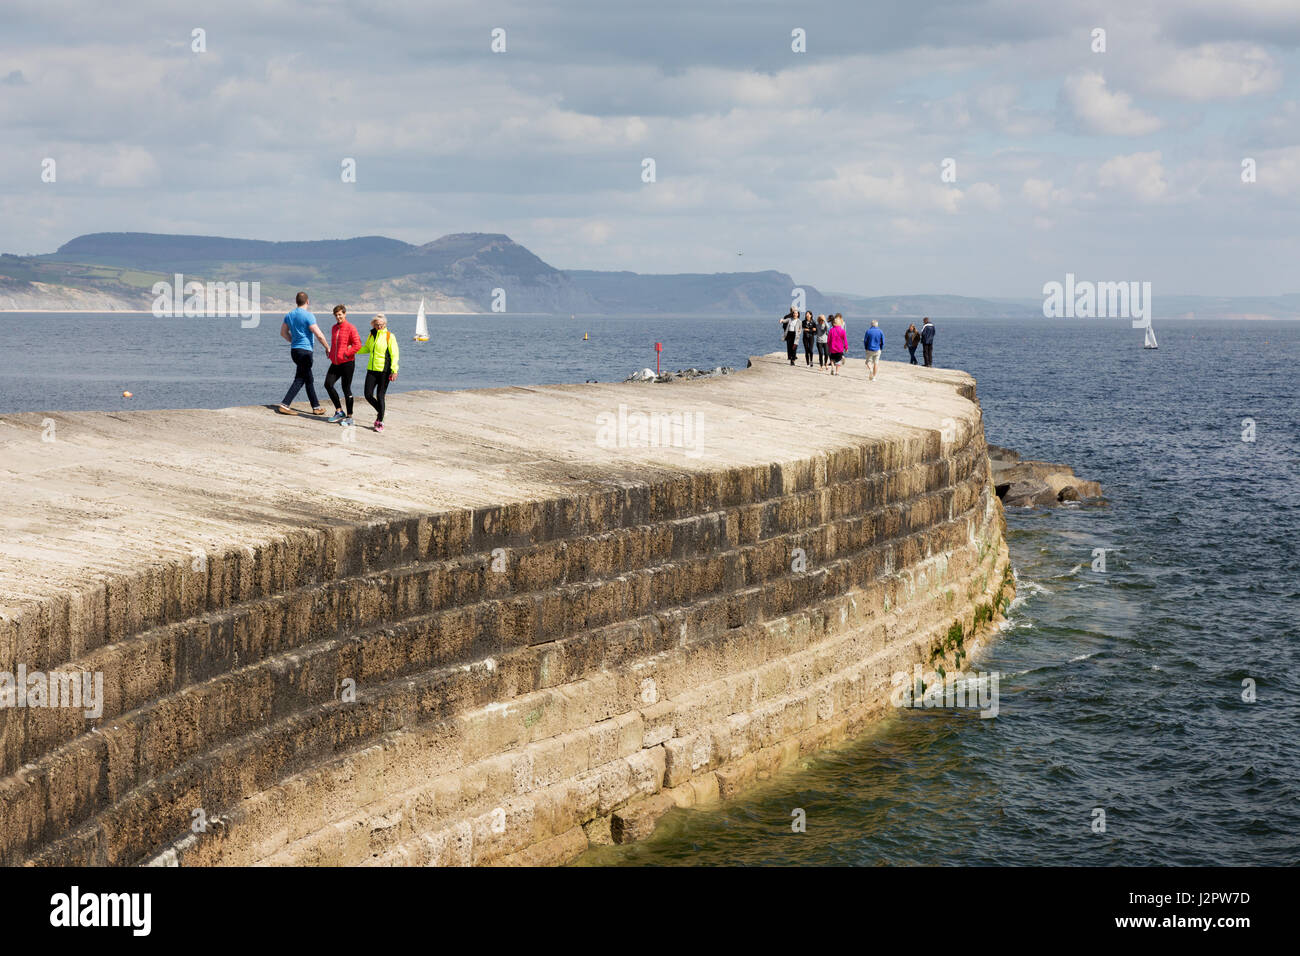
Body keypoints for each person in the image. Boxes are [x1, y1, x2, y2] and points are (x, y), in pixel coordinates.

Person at [277, 291, 329, 415]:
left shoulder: (289, 315)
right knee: (300, 379)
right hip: (305, 351)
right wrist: (327, 347)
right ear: (307, 301)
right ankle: (285, 404)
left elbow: (283, 333)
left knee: (308, 378)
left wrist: (293, 340)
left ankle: (316, 407)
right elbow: (319, 335)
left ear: (296, 302)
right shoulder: (308, 316)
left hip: (294, 350)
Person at [357, 313, 399, 432]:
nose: (379, 326)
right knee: (368, 394)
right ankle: (381, 412)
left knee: (380, 396)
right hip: (371, 369)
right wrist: (353, 350)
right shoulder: (372, 334)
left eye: (381, 324)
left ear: (385, 324)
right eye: (377, 325)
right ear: (373, 325)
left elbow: (395, 354)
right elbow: (367, 348)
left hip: (384, 371)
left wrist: (394, 370)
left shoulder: (389, 336)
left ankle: (380, 421)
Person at [324, 304, 361, 425]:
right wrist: (330, 353)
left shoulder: (351, 328)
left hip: (347, 363)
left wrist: (346, 353)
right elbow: (335, 345)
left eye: (340, 314)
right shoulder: (334, 328)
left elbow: (357, 344)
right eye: (336, 315)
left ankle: (350, 417)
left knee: (346, 389)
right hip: (335, 362)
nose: (338, 317)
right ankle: (339, 411)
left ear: (345, 314)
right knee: (328, 384)